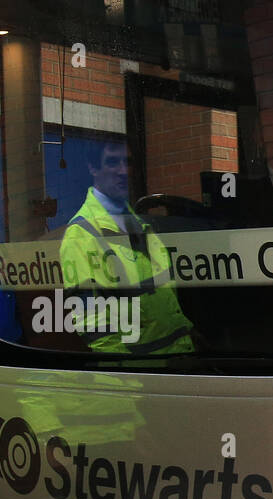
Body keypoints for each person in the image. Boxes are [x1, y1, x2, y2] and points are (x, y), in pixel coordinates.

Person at [59, 141, 194, 355]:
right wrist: (126, 377)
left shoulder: (140, 224)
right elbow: (93, 326)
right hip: (141, 373)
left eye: (127, 162)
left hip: (178, 357)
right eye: (112, 162)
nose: (123, 171)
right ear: (93, 168)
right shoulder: (81, 235)